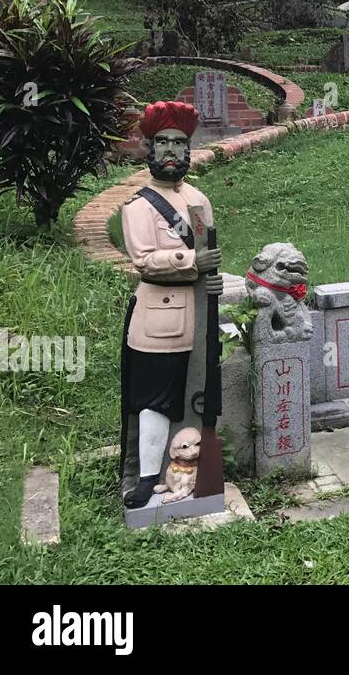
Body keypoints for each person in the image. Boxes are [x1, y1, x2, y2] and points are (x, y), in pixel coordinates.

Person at [119, 101, 221, 508]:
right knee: (153, 402)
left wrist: (209, 273)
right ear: (150, 148)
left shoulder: (198, 199)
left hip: (198, 315)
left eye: (179, 143)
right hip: (158, 321)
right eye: (162, 142)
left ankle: (192, 471)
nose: (171, 152)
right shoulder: (139, 207)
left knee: (194, 399)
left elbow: (207, 244)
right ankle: (146, 477)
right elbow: (143, 259)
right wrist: (192, 261)